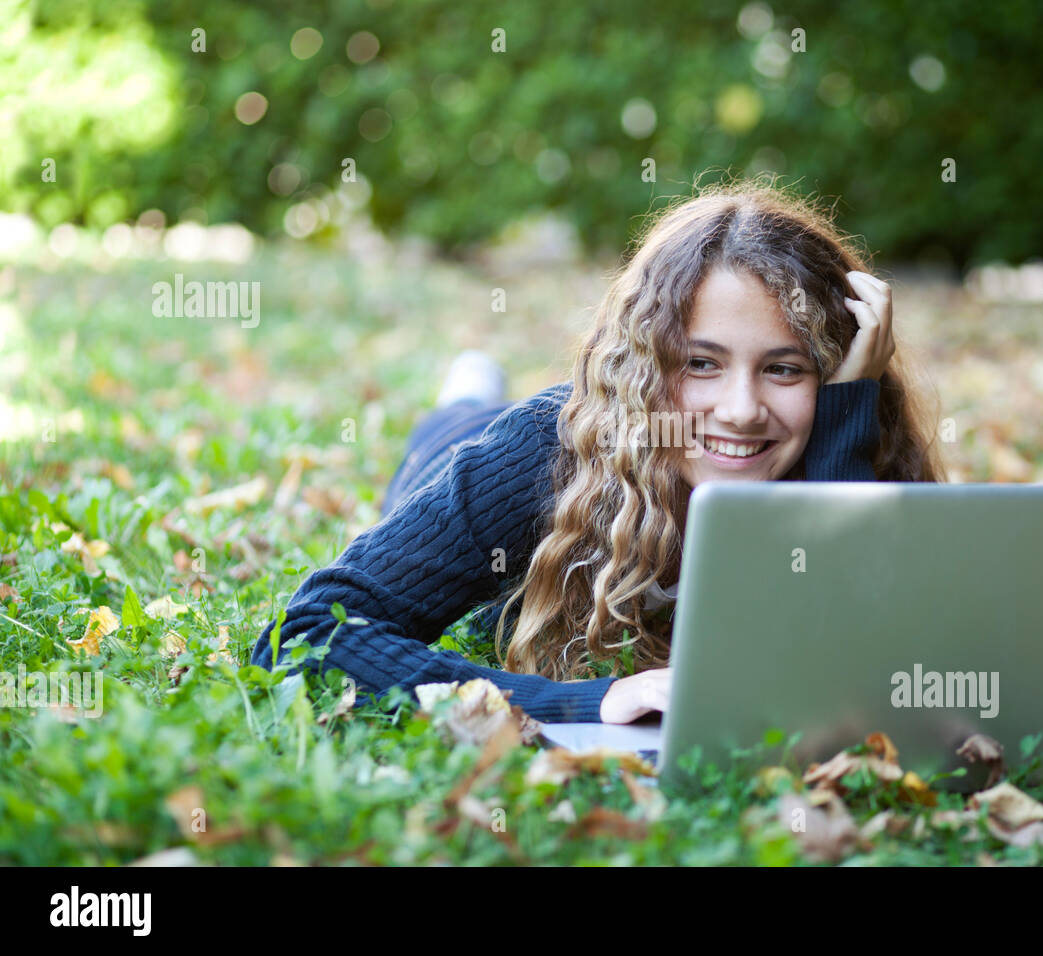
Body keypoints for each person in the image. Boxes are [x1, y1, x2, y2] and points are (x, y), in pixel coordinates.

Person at [248, 179, 946, 724]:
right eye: (699, 363)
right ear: (642, 366)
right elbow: (304, 635)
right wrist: (580, 705)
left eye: (785, 369)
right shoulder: (536, 454)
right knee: (460, 425)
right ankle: (465, 389)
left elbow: (864, 660)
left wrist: (851, 413)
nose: (740, 410)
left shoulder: (844, 441)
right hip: (469, 449)